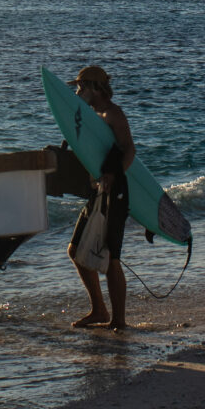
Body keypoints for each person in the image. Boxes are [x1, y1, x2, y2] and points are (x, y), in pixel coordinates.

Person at [69, 64, 134, 331]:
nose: (78, 90)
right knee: (76, 250)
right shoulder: (91, 114)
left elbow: (129, 150)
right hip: (97, 191)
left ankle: (118, 320)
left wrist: (112, 177)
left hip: (114, 193)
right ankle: (99, 309)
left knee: (112, 258)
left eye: (81, 86)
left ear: (95, 87)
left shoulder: (113, 113)